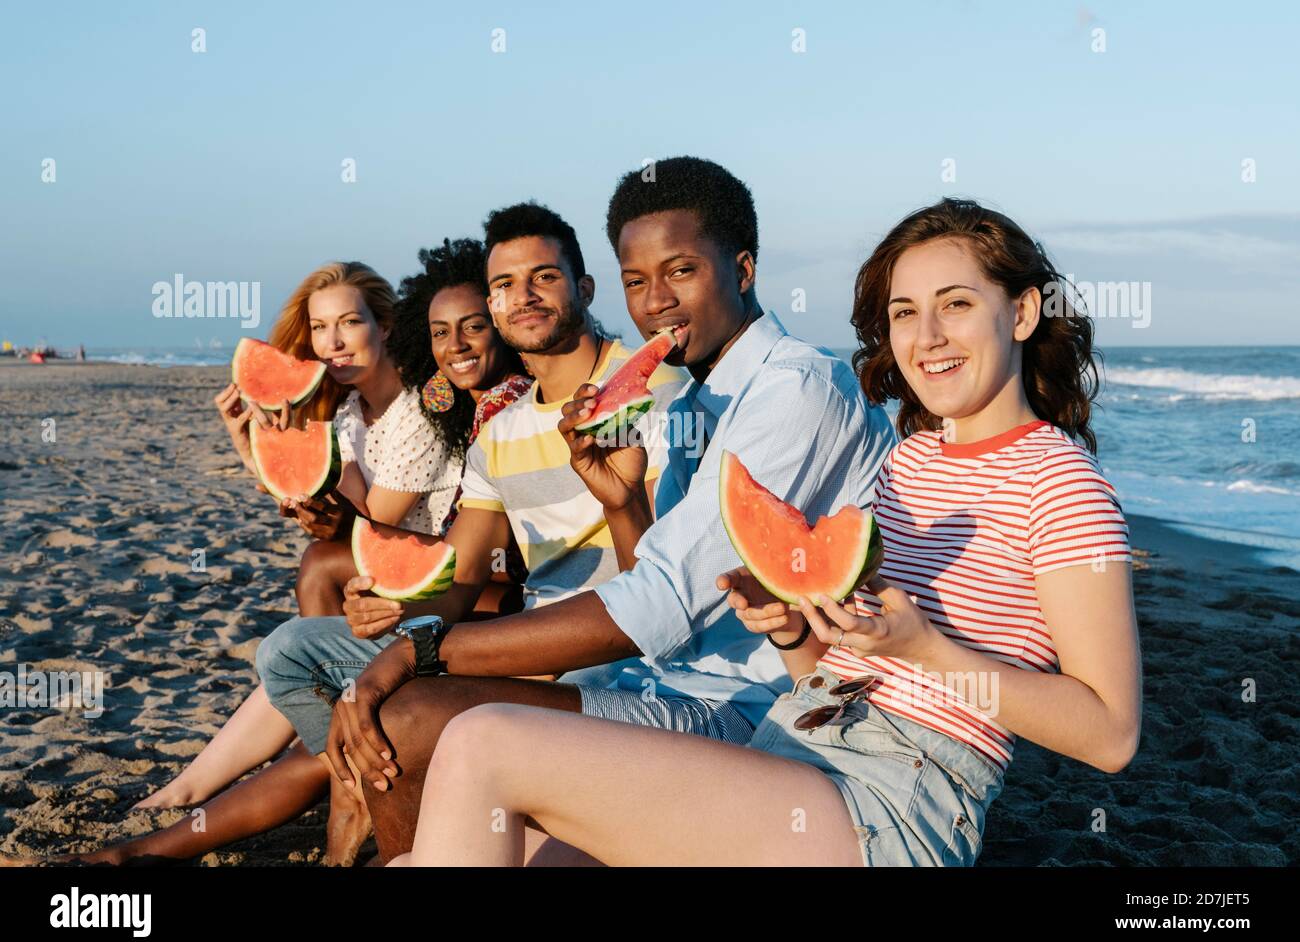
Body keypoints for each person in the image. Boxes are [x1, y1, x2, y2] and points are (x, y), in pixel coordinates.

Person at [390, 197, 1144, 867]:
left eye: (955, 305)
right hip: (797, 746)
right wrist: (791, 633)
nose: (927, 335)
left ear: (1019, 313)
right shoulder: (912, 459)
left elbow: (1110, 734)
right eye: (906, 312)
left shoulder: (1062, 484)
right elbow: (840, 673)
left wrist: (930, 650)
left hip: (894, 804)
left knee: (480, 740)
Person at [306, 157, 897, 863]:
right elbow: (661, 583)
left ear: (742, 270)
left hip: (753, 711)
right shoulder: (689, 397)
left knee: (409, 715)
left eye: (681, 271)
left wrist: (418, 647)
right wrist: (619, 500)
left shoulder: (796, 390)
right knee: (418, 734)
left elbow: (662, 605)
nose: (657, 303)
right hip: (661, 680)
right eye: (637, 282)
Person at [6, 248, 533, 867]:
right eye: (319, 328)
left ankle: (233, 799)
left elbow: (372, 524)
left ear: (387, 326)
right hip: (429, 587)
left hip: (470, 593)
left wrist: (303, 467)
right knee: (312, 621)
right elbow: (307, 491)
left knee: (319, 573)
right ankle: (198, 790)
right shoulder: (348, 412)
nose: (332, 343)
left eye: (349, 323)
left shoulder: (431, 407)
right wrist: (251, 439)